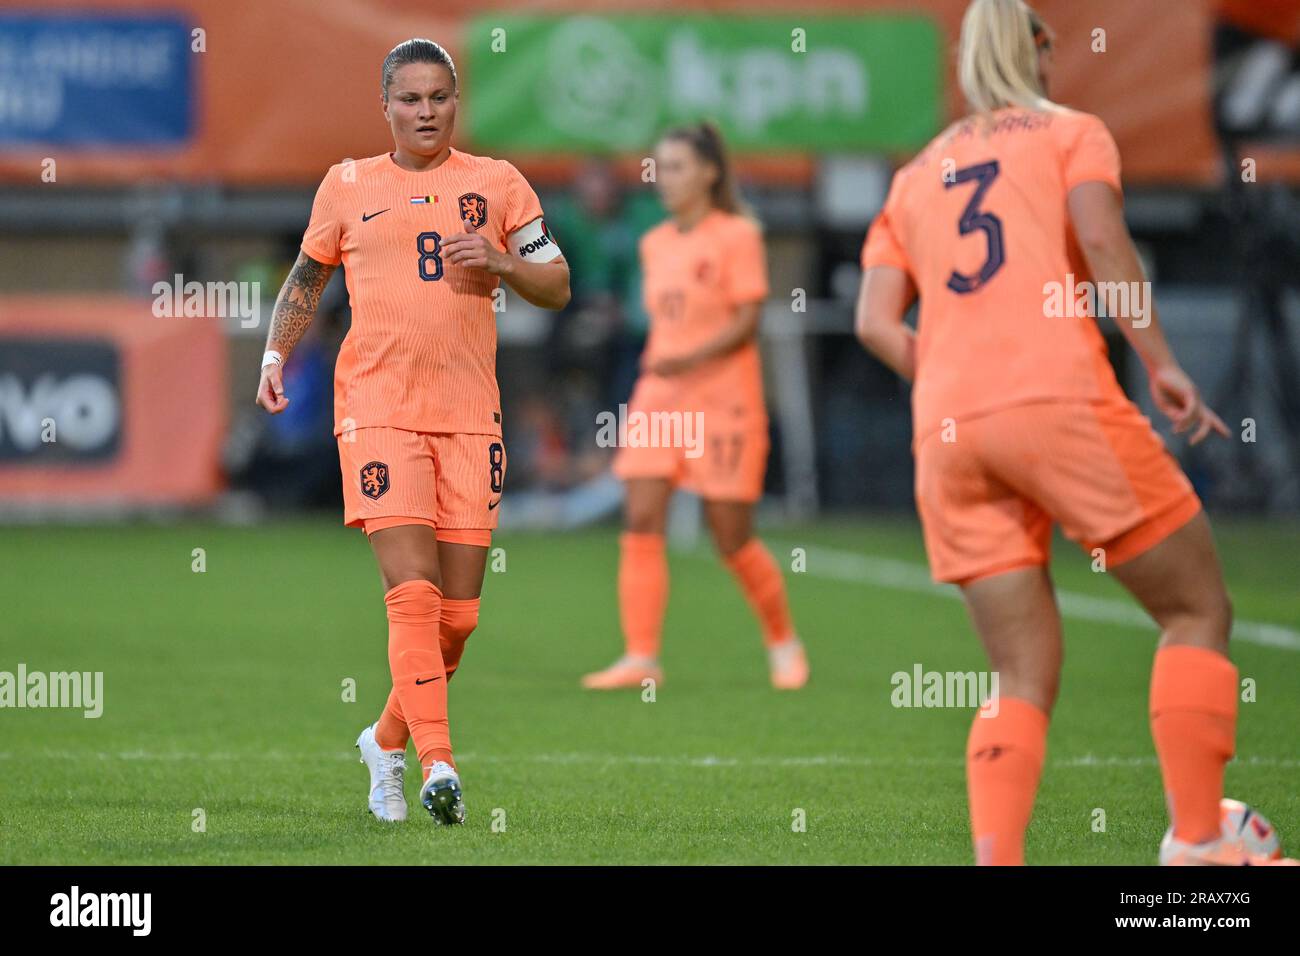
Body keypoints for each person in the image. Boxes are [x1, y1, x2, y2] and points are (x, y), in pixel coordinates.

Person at [855, 0, 1292, 865]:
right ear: (1042, 49)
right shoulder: (1071, 132)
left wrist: (951, 378)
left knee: (1020, 674)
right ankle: (1202, 843)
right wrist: (1161, 359)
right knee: (1195, 608)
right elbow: (1102, 239)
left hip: (948, 429)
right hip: (1057, 403)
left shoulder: (914, 175)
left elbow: (874, 321)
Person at [255, 38, 569, 824]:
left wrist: (502, 264)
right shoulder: (348, 184)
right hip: (377, 409)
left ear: (455, 102)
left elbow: (557, 284)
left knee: (458, 620)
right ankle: (436, 766)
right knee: (414, 596)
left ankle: (383, 739)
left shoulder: (497, 185)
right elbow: (305, 278)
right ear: (385, 105)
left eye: (438, 98)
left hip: (470, 416)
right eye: (410, 99)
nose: (424, 112)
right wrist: (274, 354)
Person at [582, 121, 808, 692]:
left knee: (730, 535)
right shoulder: (654, 242)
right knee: (640, 516)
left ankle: (783, 640)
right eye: (659, 167)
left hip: (724, 399)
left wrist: (690, 357)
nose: (665, 178)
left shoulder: (738, 235)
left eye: (678, 166)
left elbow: (745, 320)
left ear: (709, 172)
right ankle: (640, 657)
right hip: (661, 396)